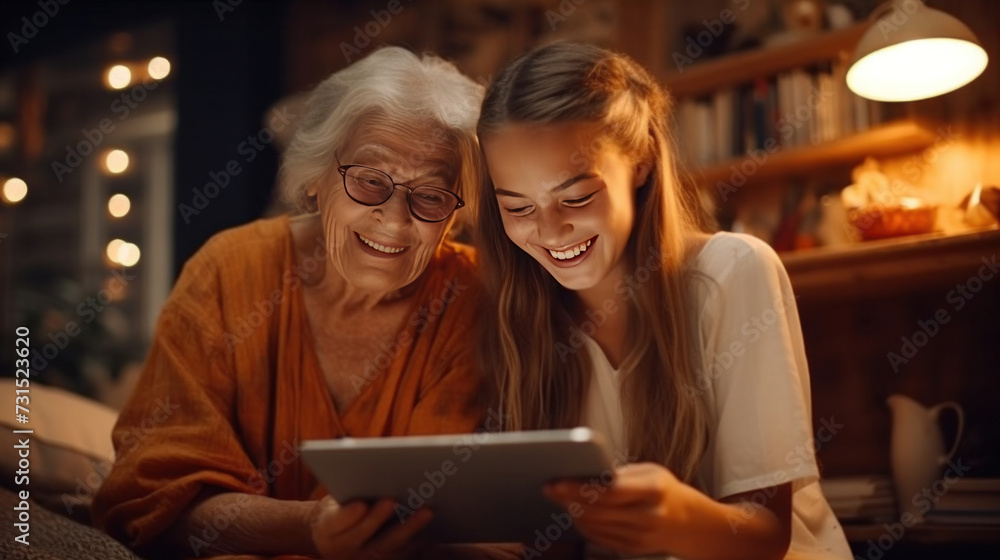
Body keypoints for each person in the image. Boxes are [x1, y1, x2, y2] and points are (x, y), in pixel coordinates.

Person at [92, 46, 502, 560]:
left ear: (456, 213)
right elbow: (155, 494)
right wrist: (309, 528)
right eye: (369, 181)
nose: (395, 221)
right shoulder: (227, 272)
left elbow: (458, 514)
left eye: (431, 196)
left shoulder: (478, 299)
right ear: (315, 176)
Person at [475, 42, 852, 560]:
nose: (550, 230)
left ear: (642, 161)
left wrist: (679, 518)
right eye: (518, 208)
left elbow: (766, 536)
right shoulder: (516, 314)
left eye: (577, 197)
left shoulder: (731, 272)